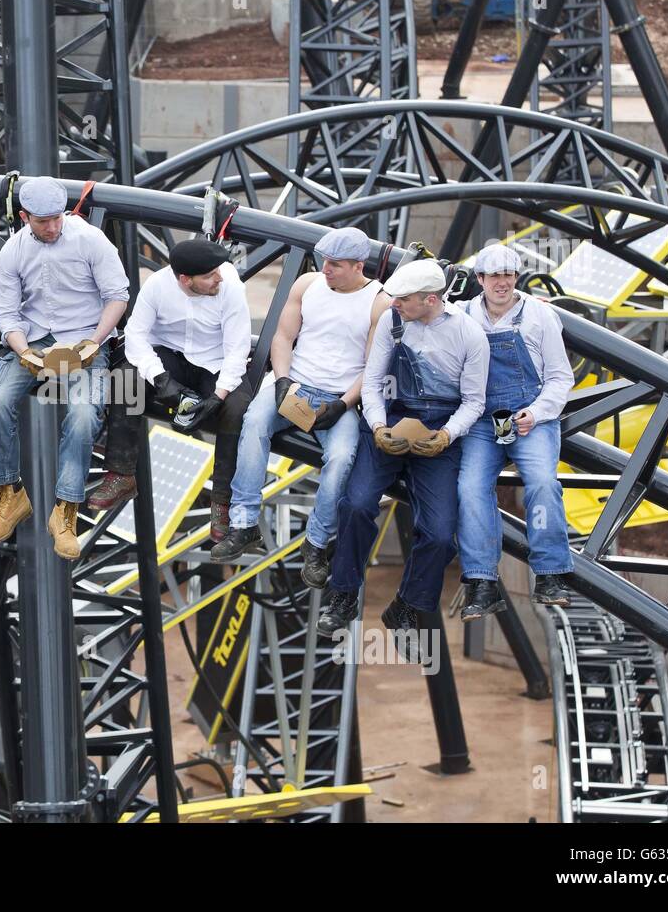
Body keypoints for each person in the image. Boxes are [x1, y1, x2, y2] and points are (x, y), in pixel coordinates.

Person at [316, 259, 489, 661]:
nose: (394, 304)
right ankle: (342, 595)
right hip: (390, 418)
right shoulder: (392, 325)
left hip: (440, 429)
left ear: (431, 299)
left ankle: (407, 607)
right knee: (357, 504)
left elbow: (474, 400)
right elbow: (373, 384)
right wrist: (377, 427)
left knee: (442, 532)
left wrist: (447, 435)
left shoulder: (469, 335)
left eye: (404, 299)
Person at [211, 227, 389, 576]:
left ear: (358, 265)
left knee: (340, 459)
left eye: (335, 264)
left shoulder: (379, 303)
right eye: (324, 261)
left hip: (340, 399)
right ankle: (244, 523)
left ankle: (317, 542)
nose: (326, 269)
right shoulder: (307, 284)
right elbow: (283, 336)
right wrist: (281, 381)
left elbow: (373, 367)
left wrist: (344, 404)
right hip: (295, 384)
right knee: (254, 424)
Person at [0, 176, 129, 560]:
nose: (52, 226)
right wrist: (23, 351)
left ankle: (65, 511)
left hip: (85, 339)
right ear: (25, 216)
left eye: (57, 218)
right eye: (43, 220)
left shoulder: (90, 240)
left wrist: (95, 341)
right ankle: (9, 496)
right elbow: (8, 313)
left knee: (82, 415)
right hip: (33, 341)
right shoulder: (13, 250)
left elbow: (117, 296)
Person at [87, 237, 253, 541]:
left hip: (214, 362)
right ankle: (120, 474)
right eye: (209, 275)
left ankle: (223, 501)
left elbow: (237, 349)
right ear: (185, 279)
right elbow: (136, 337)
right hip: (170, 357)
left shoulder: (230, 285)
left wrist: (219, 395)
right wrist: (162, 380)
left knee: (238, 409)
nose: (219, 276)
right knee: (125, 378)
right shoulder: (157, 286)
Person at [455, 244, 577, 617]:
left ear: (516, 277)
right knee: (470, 488)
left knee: (542, 482)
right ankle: (481, 581)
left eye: (508, 275)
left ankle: (550, 572)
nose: (502, 283)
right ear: (480, 280)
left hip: (530, 419)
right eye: (494, 276)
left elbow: (560, 378)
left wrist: (536, 413)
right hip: (480, 419)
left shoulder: (540, 315)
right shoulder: (461, 316)